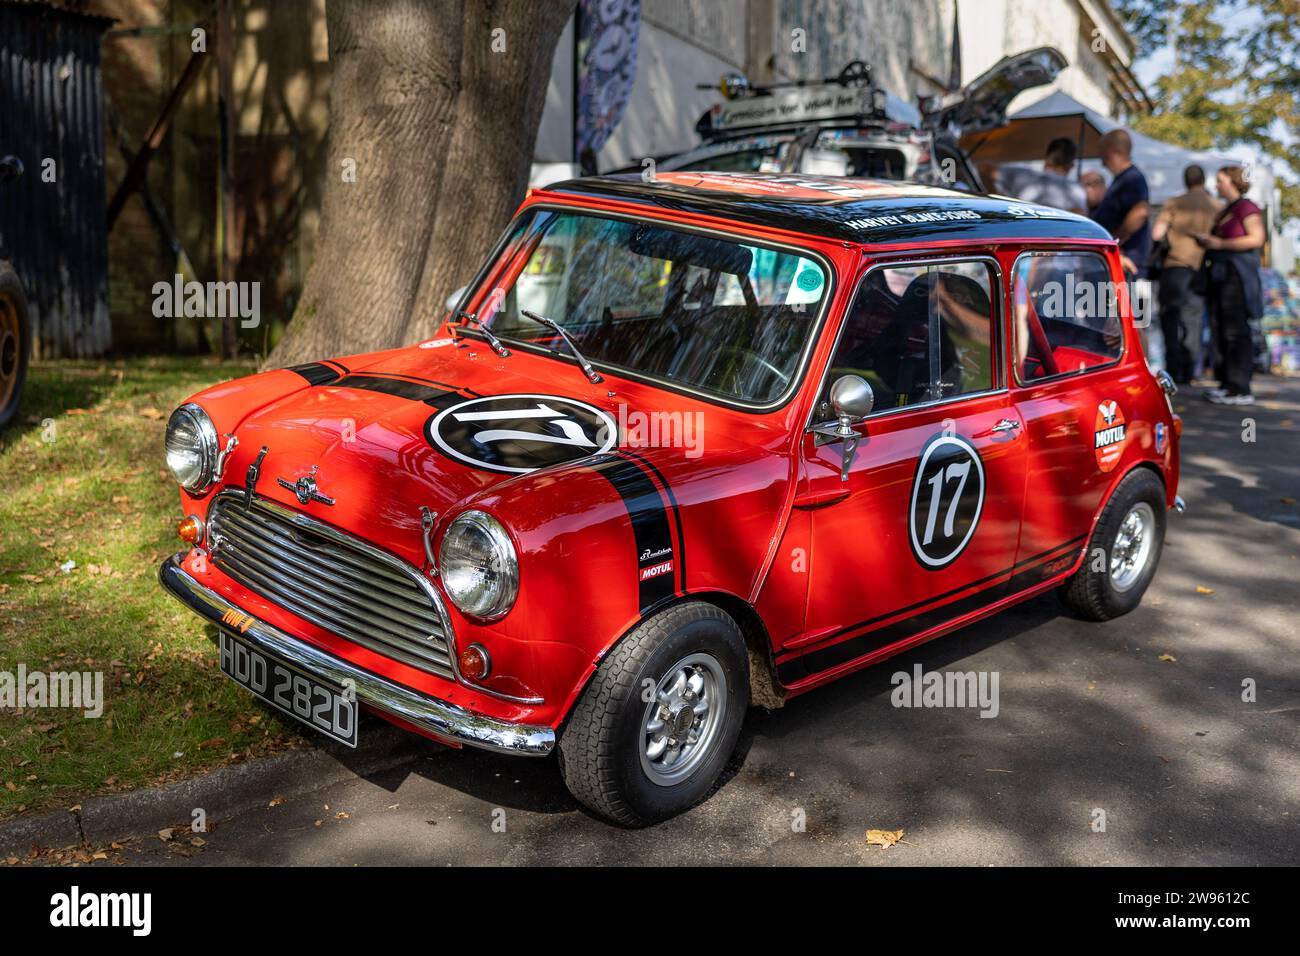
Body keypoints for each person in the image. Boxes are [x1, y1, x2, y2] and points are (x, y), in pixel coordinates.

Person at [1194, 165, 1265, 405]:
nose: (1217, 185)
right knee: (1220, 329)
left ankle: (1240, 387)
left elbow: (1257, 238)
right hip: (1221, 276)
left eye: (1221, 180)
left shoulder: (1246, 207)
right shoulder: (1227, 209)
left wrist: (1219, 244)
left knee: (1236, 332)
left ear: (1233, 182)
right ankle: (1227, 384)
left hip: (1237, 277)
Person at [1152, 165, 1222, 383]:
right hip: (1202, 268)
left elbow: (1156, 234)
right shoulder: (1217, 206)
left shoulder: (1174, 203)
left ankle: (1173, 370)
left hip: (1175, 266)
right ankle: (1190, 371)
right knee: (1193, 321)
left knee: (1170, 319)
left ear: (1185, 180)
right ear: (1204, 180)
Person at [1090, 129, 1152, 277]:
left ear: (1114, 151)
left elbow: (1141, 212)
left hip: (1126, 263)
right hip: (1120, 261)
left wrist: (1113, 240)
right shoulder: (1123, 179)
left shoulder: (1132, 178)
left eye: (1102, 151)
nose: (1100, 158)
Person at [997, 138, 1088, 214]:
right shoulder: (1074, 189)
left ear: (1046, 157)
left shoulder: (1022, 173)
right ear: (1071, 165)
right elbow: (1081, 216)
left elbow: (987, 170)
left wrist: (1004, 203)